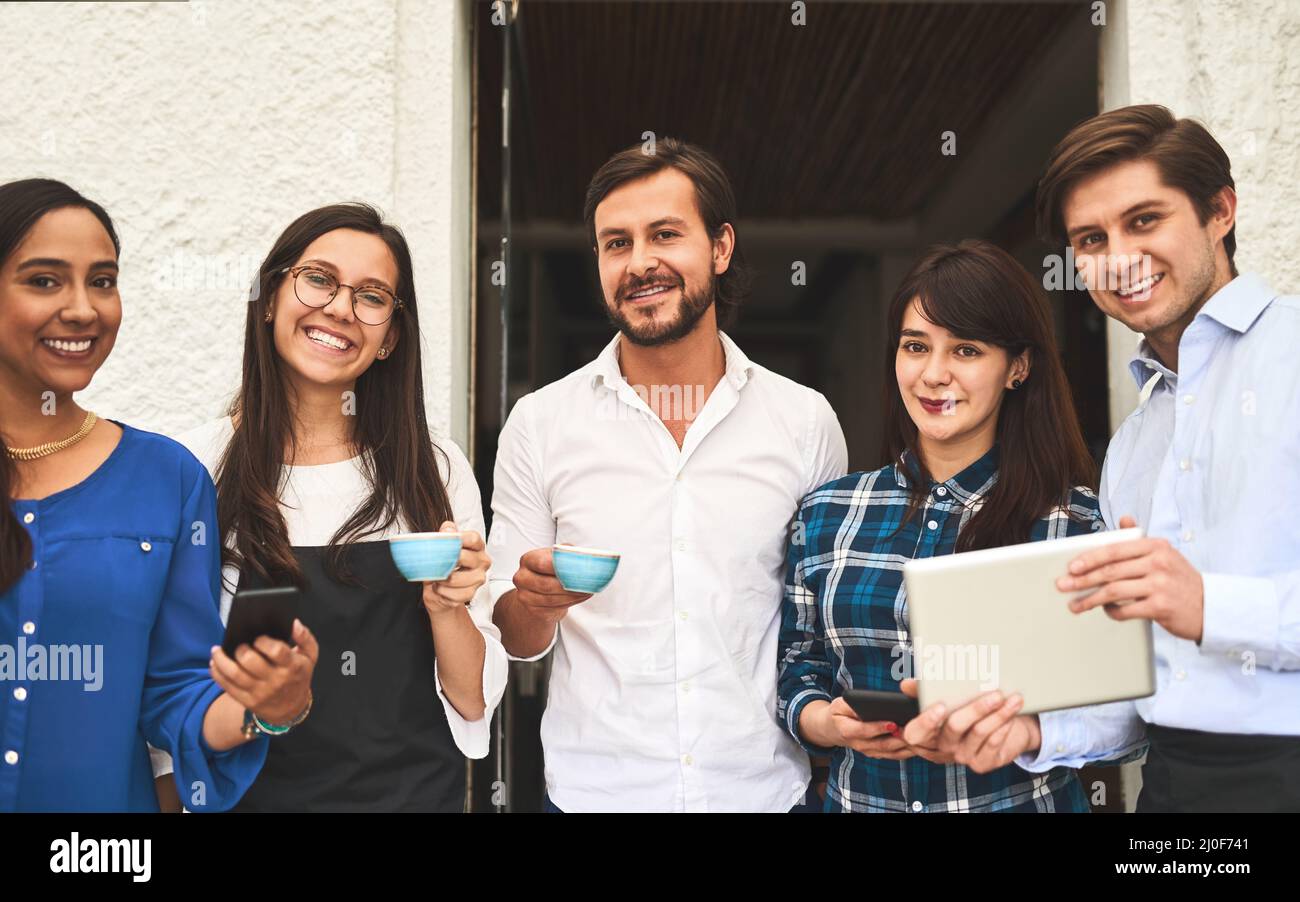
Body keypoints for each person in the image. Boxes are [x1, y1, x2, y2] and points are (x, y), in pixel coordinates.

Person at [908, 105, 1299, 813]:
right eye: (1091, 238)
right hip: (1172, 786)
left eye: (1144, 220)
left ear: (1221, 211)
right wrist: (1029, 731)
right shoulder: (1134, 441)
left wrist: (1209, 603)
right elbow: (1145, 686)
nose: (1117, 256)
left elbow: (1199, 614)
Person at [488, 139, 848, 812]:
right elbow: (513, 638)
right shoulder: (540, 424)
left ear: (720, 247)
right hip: (596, 795)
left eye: (665, 235)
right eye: (615, 243)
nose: (640, 262)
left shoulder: (804, 422)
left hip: (764, 794)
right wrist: (533, 604)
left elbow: (820, 624)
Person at [153, 203, 507, 812]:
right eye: (318, 279)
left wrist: (448, 608)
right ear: (269, 299)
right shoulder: (196, 468)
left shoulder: (435, 469)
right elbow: (173, 682)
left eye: (372, 296)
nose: (340, 308)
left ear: (391, 336)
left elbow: (472, 702)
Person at [778, 240, 1141, 812]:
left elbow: (1123, 716)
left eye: (966, 350)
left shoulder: (1076, 524)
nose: (933, 374)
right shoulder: (826, 512)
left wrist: (1026, 731)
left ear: (1017, 368)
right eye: (915, 347)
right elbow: (798, 663)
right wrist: (827, 722)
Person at [0, 177, 316, 812]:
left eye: (103, 280)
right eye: (44, 280)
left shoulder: (166, 478)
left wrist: (267, 708)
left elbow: (177, 692)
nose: (84, 308)